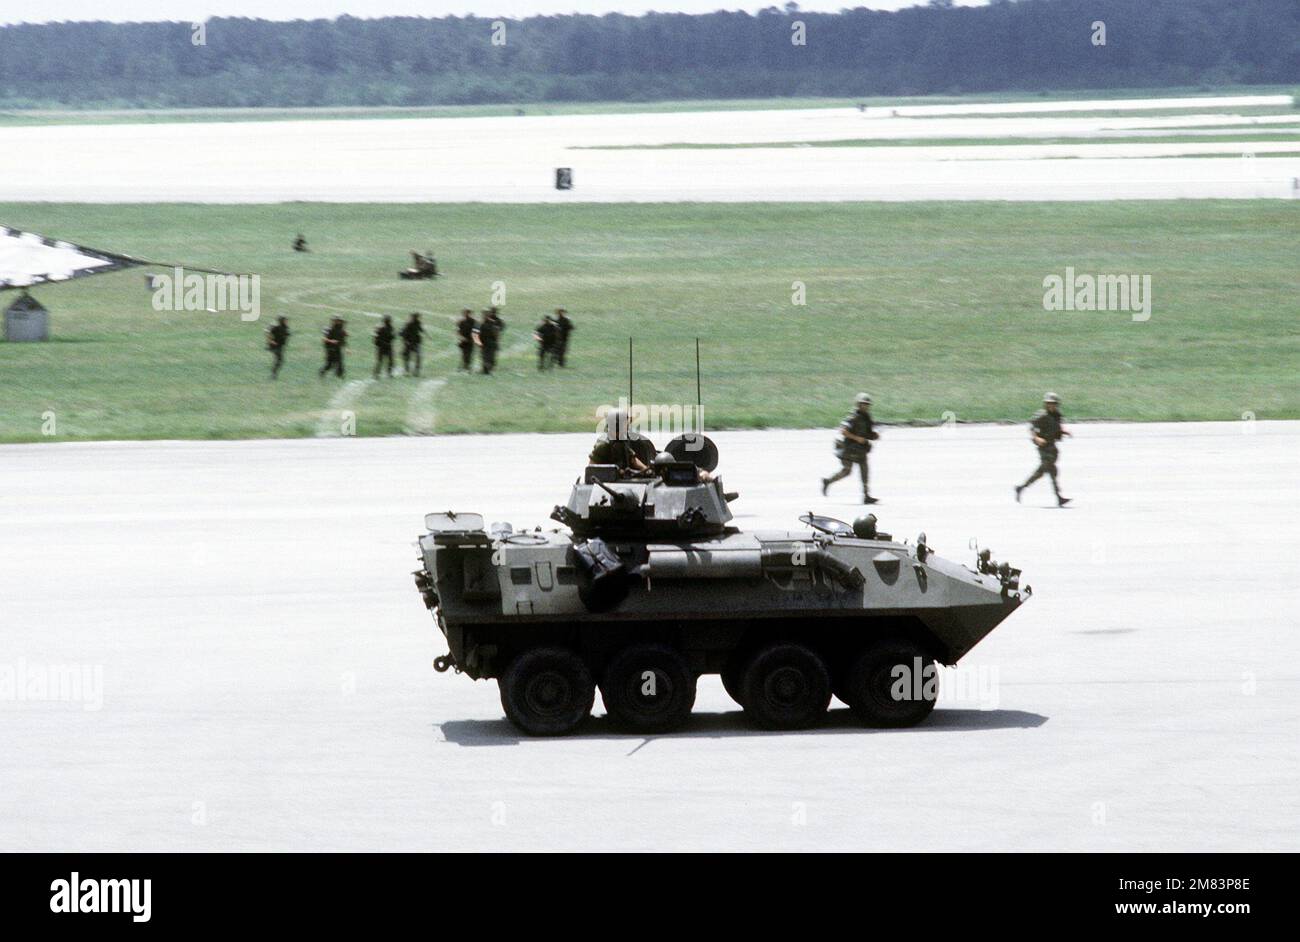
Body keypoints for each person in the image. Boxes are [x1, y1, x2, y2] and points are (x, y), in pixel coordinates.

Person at [821, 392, 880, 504]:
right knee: (846, 471)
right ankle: (828, 481)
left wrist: (874, 436)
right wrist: (857, 438)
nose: (866, 406)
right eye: (863, 404)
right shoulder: (853, 417)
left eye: (867, 404)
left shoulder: (867, 418)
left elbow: (867, 433)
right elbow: (843, 431)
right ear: (858, 404)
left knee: (865, 471)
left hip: (861, 450)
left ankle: (866, 495)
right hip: (850, 449)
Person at [1016, 392, 1072, 507]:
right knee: (1048, 470)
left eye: (1053, 403)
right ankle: (1058, 496)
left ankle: (1021, 488)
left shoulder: (1057, 415)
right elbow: (1031, 426)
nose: (1051, 405)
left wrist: (1063, 432)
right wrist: (1036, 437)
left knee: (1048, 472)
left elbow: (1057, 428)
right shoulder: (1042, 415)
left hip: (1052, 446)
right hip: (1044, 447)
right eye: (1048, 403)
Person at [589, 409, 652, 474]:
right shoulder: (603, 445)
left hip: (623, 478)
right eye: (625, 424)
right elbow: (591, 469)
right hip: (607, 480)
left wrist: (646, 469)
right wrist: (615, 472)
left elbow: (633, 460)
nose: (627, 426)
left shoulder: (622, 439)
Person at [476, 307, 504, 375]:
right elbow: (476, 334)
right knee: (484, 357)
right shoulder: (479, 324)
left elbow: (496, 333)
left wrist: (497, 342)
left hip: (491, 343)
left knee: (491, 357)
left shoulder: (493, 323)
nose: (485, 315)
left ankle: (489, 369)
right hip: (483, 343)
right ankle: (485, 370)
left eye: (487, 314)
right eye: (484, 314)